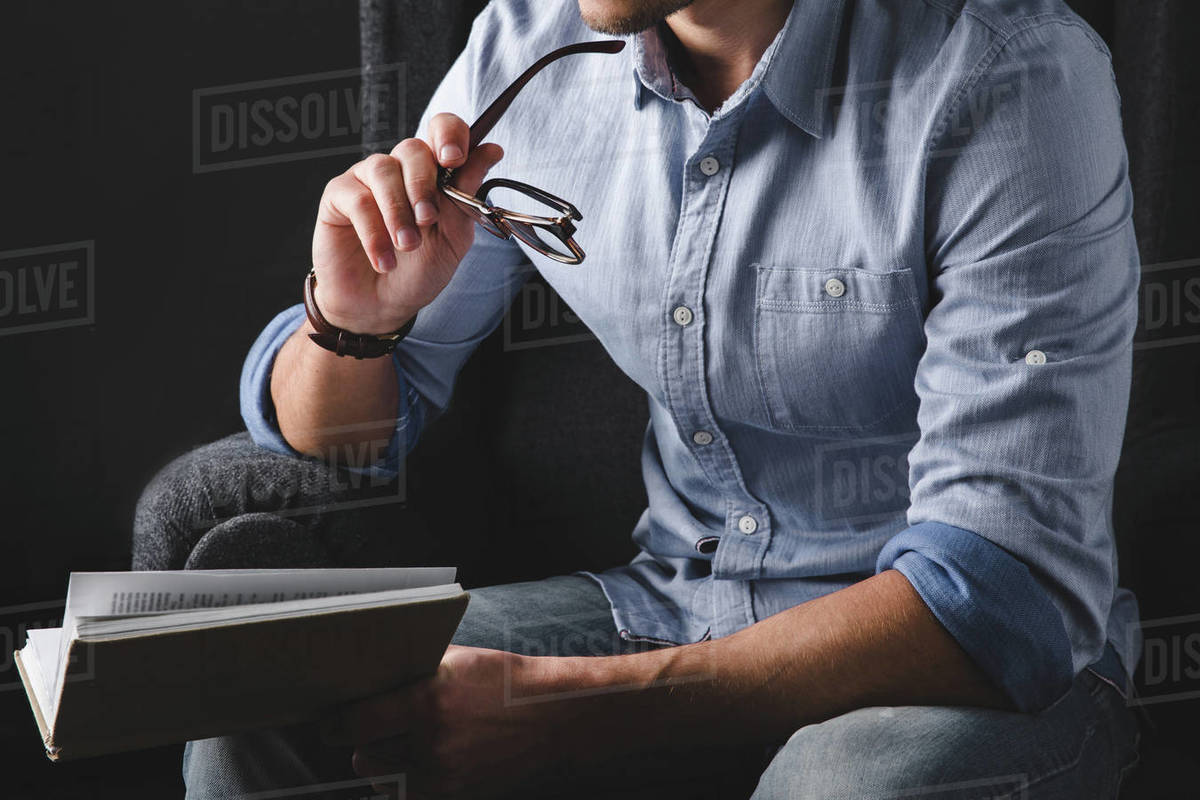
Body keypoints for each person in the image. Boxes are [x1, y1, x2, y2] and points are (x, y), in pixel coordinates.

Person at [172, 0, 1142, 796]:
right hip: (672, 606)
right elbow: (342, 445)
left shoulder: (1009, 74)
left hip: (955, 676)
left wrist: (576, 709)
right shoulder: (532, 47)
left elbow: (1002, 593)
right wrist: (352, 324)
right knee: (273, 720)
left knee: (841, 786)